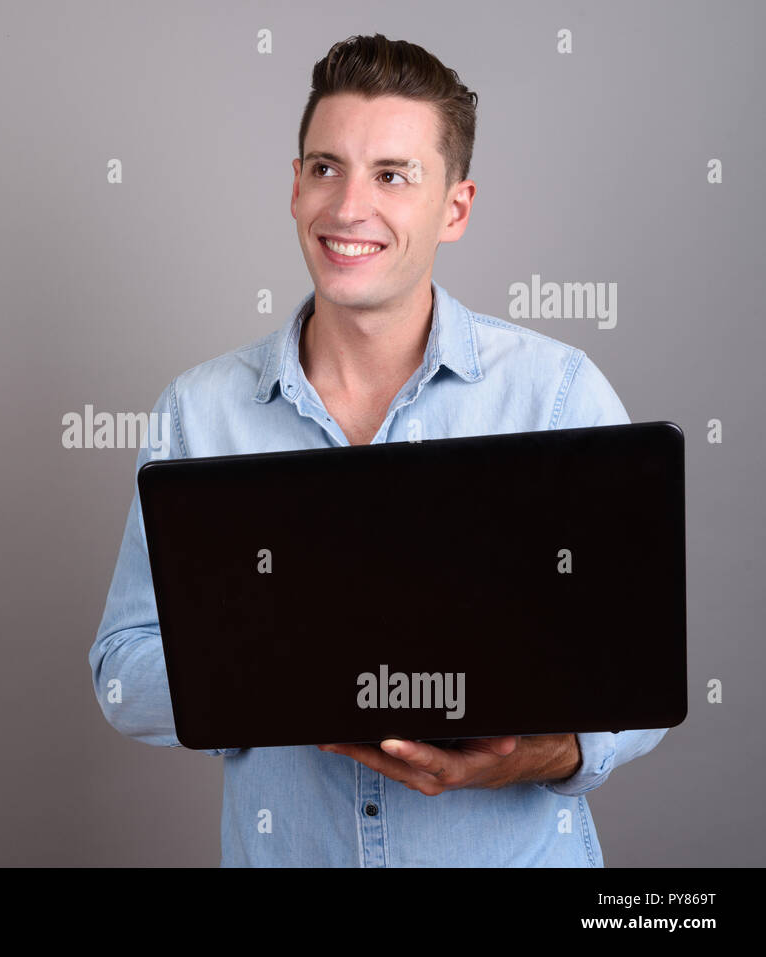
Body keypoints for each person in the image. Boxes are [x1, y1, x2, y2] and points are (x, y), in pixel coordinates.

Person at [88, 33, 669, 866]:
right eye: (326, 168)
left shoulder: (558, 395)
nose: (348, 205)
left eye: (392, 175)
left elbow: (643, 666)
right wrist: (292, 670)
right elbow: (121, 668)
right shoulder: (198, 411)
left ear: (455, 208)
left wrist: (535, 755)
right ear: (295, 188)